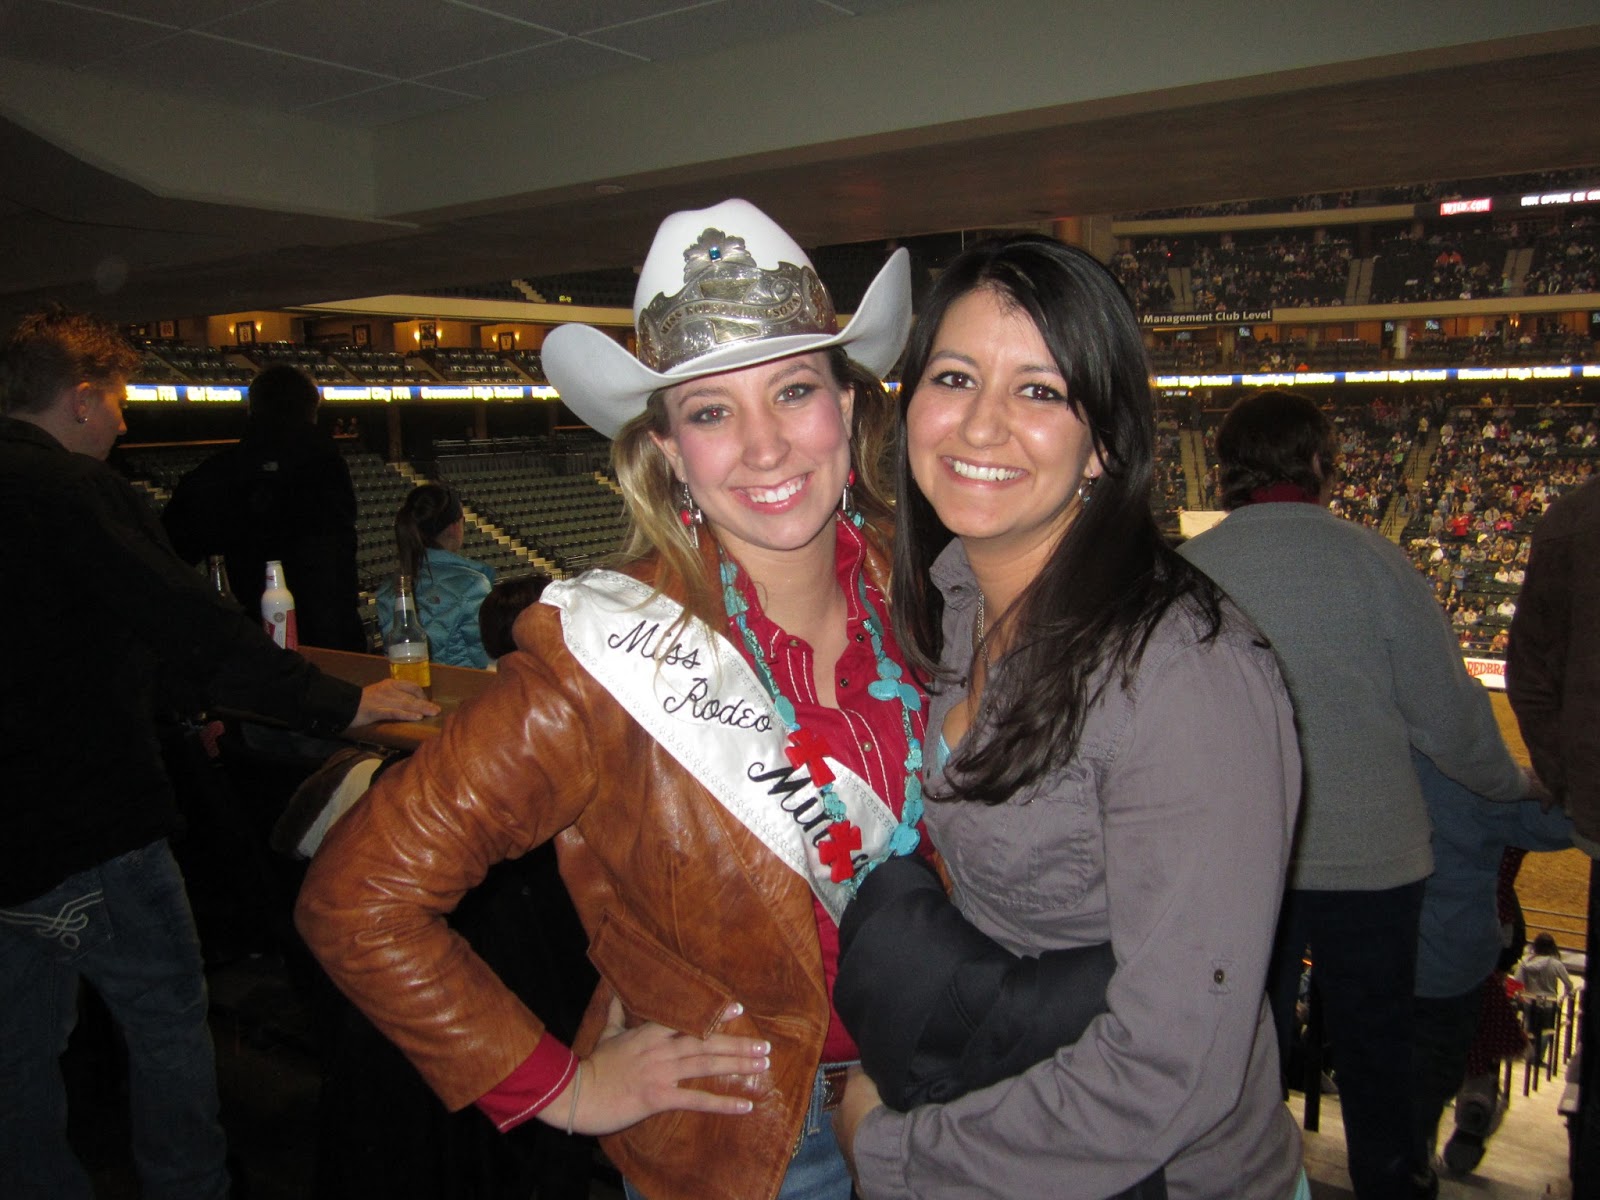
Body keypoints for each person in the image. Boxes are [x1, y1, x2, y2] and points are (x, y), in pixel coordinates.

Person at [296, 199, 921, 1200]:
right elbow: (358, 896)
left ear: (847, 409)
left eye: (794, 390)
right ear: (668, 449)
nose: (764, 447)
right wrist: (565, 1087)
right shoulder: (597, 657)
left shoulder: (941, 600)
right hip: (754, 1137)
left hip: (951, 1090)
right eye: (711, 412)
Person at [837, 235, 1304, 1198]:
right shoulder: (956, 601)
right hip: (1004, 1100)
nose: (981, 425)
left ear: (1104, 444)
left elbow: (1174, 1069)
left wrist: (894, 1154)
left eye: (1040, 391)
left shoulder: (1185, 676)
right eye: (955, 377)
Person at [0, 309, 435, 1200]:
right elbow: (185, 621)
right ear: (79, 400)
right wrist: (344, 703)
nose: (123, 421)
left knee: (18, 1051)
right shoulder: (72, 493)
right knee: (164, 1020)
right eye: (116, 402)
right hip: (88, 824)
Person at [1178, 390, 1535, 1200]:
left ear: (1228, 469)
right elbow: (1452, 721)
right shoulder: (1378, 563)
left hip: (1242, 858)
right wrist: (1512, 787)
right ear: (1318, 462)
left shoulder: (1193, 571)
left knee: (1242, 1052)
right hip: (1376, 859)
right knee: (1379, 1057)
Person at [1408, 751, 1571, 1177]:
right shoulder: (1496, 792)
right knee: (1469, 1024)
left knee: (1422, 1048)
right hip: (1487, 933)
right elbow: (1560, 825)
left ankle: (1418, 1141)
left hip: (1421, 939)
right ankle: (1475, 1098)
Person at [163, 364, 365, 650]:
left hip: (247, 645)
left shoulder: (215, 475)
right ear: (312, 412)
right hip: (330, 646)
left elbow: (167, 556)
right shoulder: (328, 469)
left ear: (251, 410)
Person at [377, 483, 495, 668]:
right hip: (460, 683)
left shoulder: (388, 588)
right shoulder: (473, 585)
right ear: (455, 527)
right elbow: (482, 657)